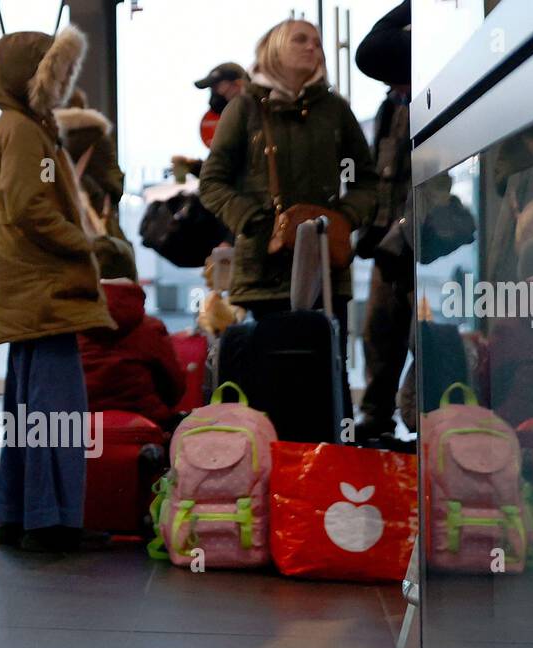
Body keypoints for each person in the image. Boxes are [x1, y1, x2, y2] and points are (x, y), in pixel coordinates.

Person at [198, 18, 377, 420]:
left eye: (317, 41)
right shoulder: (244, 109)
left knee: (328, 379)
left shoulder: (334, 110)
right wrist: (257, 221)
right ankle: (270, 473)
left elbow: (366, 178)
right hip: (264, 271)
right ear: (274, 47)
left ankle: (327, 473)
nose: (313, 47)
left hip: (327, 271)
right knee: (267, 384)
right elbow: (213, 182)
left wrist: (345, 217)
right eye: (300, 39)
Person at [0, 25, 116, 552]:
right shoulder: (24, 131)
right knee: (58, 412)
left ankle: (21, 515)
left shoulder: (19, 126)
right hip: (47, 287)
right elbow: (30, 206)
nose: (61, 83)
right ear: (31, 78)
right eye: (53, 72)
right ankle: (53, 522)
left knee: (26, 410)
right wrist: (87, 244)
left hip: (27, 288)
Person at [352, 0, 413, 444]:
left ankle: (426, 419)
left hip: (419, 236)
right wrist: (373, 228)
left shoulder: (429, 88)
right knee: (380, 330)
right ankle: (377, 420)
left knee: (418, 334)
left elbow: (371, 50)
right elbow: (380, 172)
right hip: (390, 237)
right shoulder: (393, 104)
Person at [78, 278, 186, 431]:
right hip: (145, 429)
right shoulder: (151, 329)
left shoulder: (70, 329)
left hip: (78, 432)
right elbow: (174, 388)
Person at [55, 88, 137, 280]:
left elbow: (46, 181)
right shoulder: (100, 139)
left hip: (63, 225)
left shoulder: (49, 140)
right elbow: (115, 185)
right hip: (98, 222)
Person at [173, 62, 249, 179]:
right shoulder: (238, 124)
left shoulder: (254, 122)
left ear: (238, 84)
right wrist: (193, 166)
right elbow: (228, 171)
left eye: (217, 88)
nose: (214, 97)